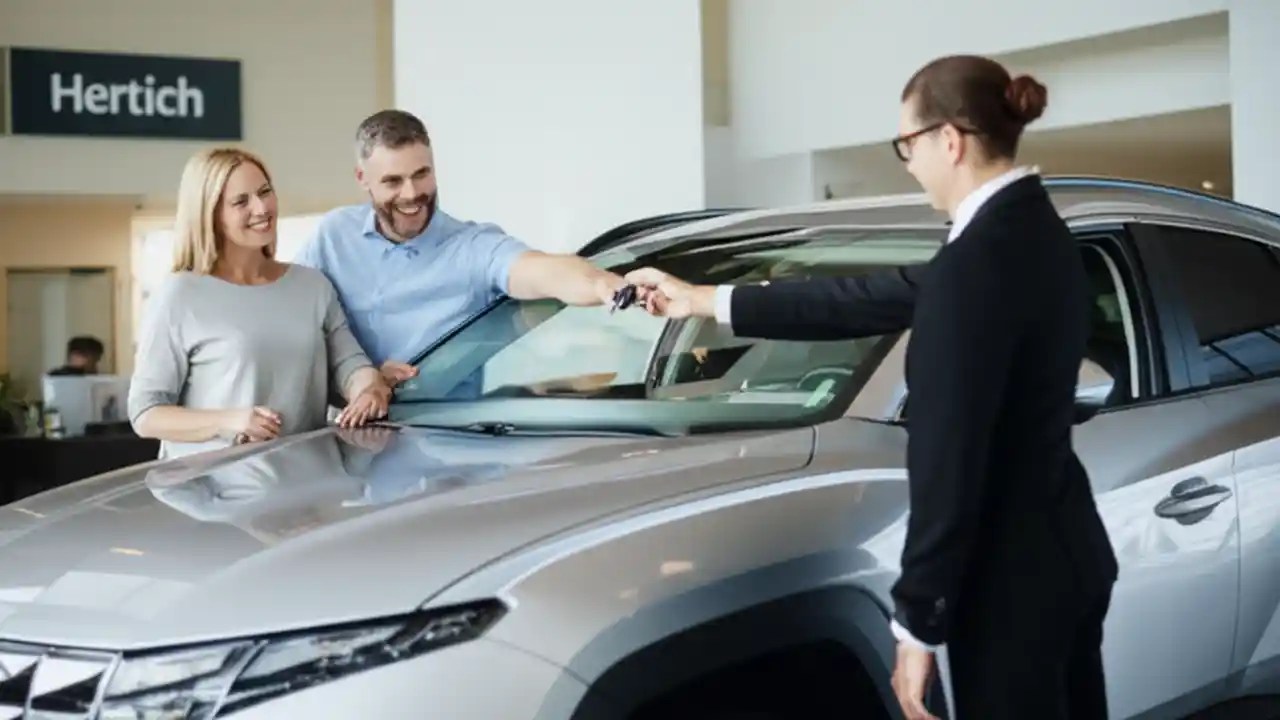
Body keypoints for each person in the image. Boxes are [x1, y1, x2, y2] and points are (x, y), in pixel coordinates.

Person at [624, 55, 1119, 719]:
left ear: (950, 140)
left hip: (1010, 589)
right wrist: (703, 301)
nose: (907, 163)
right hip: (1067, 555)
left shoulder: (975, 269)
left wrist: (917, 622)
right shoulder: (1033, 233)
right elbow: (867, 297)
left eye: (906, 145)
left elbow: (948, 459)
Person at [294, 110, 626, 384]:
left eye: (421, 174)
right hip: (349, 440)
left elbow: (540, 270)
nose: (411, 194)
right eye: (393, 181)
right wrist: (361, 378)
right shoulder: (334, 236)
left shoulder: (472, 248)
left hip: (443, 439)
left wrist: (604, 284)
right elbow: (290, 316)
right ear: (362, 179)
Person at [129, 148, 392, 459]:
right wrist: (228, 421)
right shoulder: (180, 295)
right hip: (214, 498)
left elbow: (350, 366)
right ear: (210, 214)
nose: (262, 207)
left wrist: (370, 389)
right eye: (241, 201)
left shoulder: (312, 286)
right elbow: (146, 413)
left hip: (305, 488)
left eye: (265, 192)